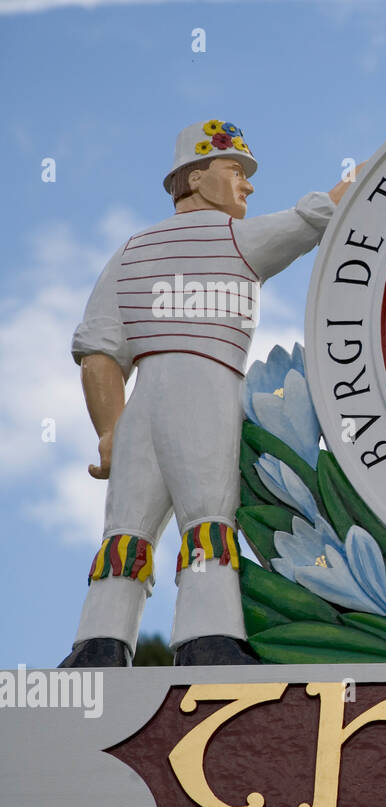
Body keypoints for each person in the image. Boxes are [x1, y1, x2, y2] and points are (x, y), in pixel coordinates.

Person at [61, 119, 357, 667]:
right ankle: (208, 639)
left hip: (143, 401)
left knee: (126, 528)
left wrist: (110, 427)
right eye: (234, 171)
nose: (246, 185)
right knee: (209, 518)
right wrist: (360, 180)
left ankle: (98, 645)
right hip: (207, 384)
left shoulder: (130, 251)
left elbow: (100, 351)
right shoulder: (236, 238)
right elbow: (313, 218)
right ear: (196, 178)